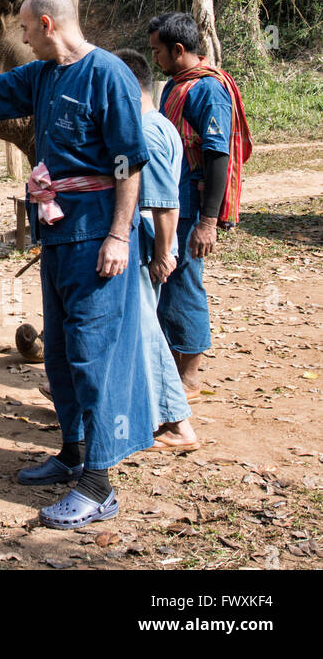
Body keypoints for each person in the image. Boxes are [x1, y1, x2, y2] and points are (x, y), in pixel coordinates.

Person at [0, 0, 152, 530]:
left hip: (96, 238)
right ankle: (73, 453)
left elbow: (127, 166)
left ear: (47, 24)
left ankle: (100, 484)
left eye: (24, 28)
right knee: (63, 352)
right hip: (59, 238)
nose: (19, 37)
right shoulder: (42, 76)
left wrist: (118, 235)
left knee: (94, 353)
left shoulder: (107, 74)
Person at [147, 12, 253, 399]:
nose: (154, 58)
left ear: (178, 49)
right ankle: (169, 366)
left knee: (184, 281)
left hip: (191, 197)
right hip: (171, 194)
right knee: (167, 279)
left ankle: (189, 375)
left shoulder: (208, 90)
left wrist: (208, 221)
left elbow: (217, 156)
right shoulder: (175, 85)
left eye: (158, 51)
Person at [113, 48, 200, 452]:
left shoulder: (145, 132)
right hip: (151, 238)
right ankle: (145, 412)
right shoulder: (158, 125)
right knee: (138, 326)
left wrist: (165, 252)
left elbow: (164, 202)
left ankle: (178, 424)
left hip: (148, 240)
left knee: (147, 328)